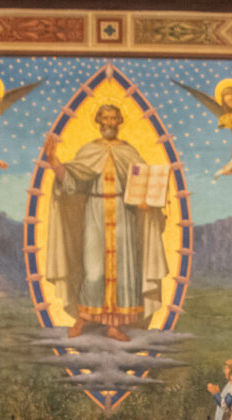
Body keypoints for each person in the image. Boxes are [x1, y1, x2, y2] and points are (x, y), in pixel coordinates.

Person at [43, 102, 170, 342]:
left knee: (124, 271)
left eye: (114, 118)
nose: (109, 123)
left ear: (119, 122)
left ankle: (114, 326)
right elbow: (70, 182)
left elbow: (146, 182)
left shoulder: (128, 152)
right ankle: (84, 318)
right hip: (95, 212)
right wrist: (53, 161)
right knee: (93, 271)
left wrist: (146, 201)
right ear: (98, 122)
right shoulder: (89, 151)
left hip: (125, 214)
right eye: (105, 118)